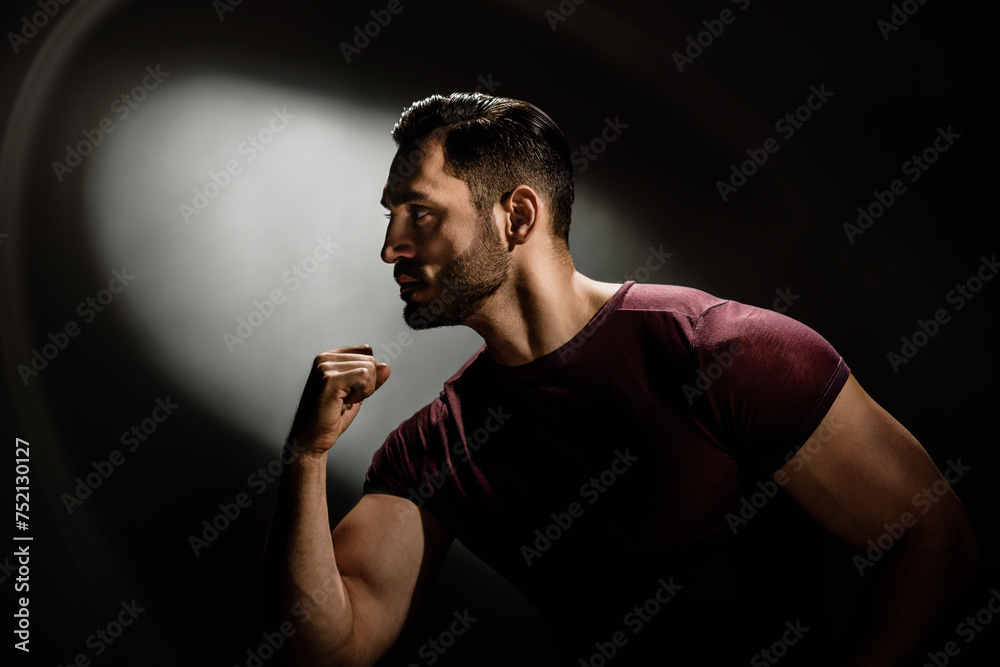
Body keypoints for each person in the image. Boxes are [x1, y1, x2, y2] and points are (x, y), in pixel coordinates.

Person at [263, 92, 978, 666]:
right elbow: (333, 646)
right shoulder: (437, 447)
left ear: (516, 215)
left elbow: (932, 536)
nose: (391, 246)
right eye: (392, 217)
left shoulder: (721, 351)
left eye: (419, 212)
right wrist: (306, 459)